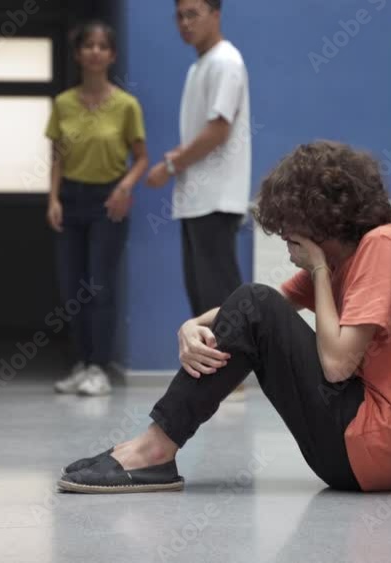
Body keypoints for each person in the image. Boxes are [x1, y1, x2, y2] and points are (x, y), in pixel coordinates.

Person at [57, 141, 391, 493]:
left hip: (374, 445)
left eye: (290, 234)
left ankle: (155, 448)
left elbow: (336, 366)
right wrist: (192, 325)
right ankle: (153, 443)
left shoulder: (383, 247)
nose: (286, 244)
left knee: (256, 301)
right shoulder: (341, 259)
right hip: (357, 445)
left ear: (317, 220)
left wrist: (315, 269)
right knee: (255, 302)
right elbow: (250, 312)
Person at [146, 0, 253, 399]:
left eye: (194, 13)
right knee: (201, 291)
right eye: (180, 15)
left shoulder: (227, 61)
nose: (186, 22)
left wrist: (171, 166)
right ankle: (220, 373)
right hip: (194, 197)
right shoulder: (198, 67)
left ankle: (236, 374)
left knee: (220, 293)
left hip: (217, 195)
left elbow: (217, 131)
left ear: (216, 14)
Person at [46, 21, 149, 396]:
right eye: (87, 46)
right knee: (72, 287)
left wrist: (124, 186)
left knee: (99, 285)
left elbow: (141, 158)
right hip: (71, 199)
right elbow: (56, 156)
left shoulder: (126, 105)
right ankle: (81, 362)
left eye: (102, 46)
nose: (94, 52)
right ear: (77, 54)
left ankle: (99, 367)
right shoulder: (63, 104)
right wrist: (53, 199)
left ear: (112, 55)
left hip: (108, 200)